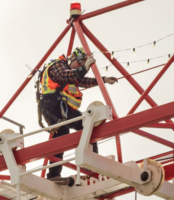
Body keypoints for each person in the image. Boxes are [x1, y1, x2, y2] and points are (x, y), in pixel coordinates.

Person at [37, 47, 117, 183]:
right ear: (72, 58)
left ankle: (93, 165)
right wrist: (84, 68)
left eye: (82, 65)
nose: (80, 67)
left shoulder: (72, 72)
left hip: (62, 107)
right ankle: (53, 175)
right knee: (62, 132)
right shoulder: (57, 65)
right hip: (52, 105)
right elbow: (66, 75)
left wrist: (102, 79)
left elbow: (82, 81)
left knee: (86, 125)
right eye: (79, 63)